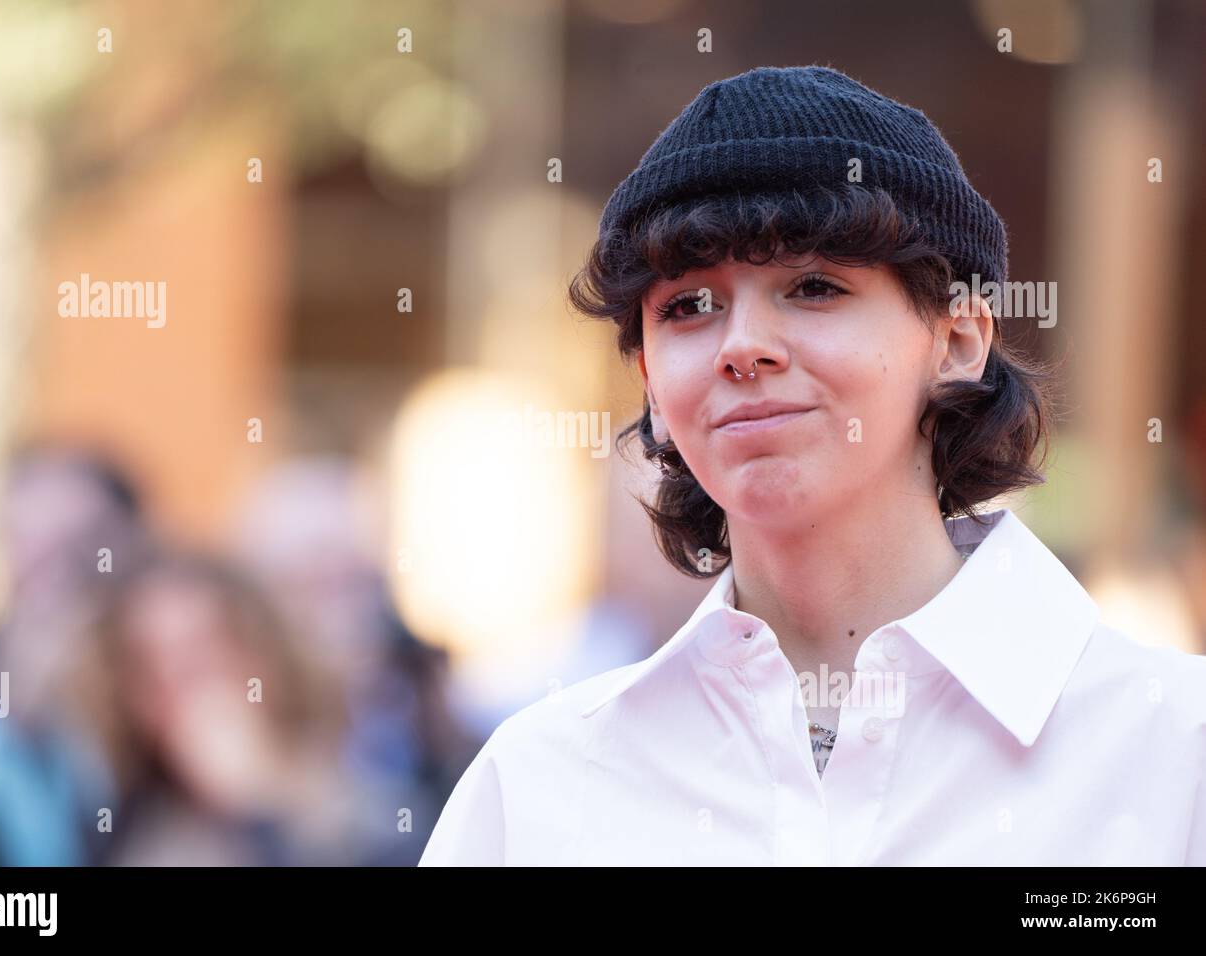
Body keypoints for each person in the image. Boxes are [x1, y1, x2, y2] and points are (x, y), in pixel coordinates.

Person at [418, 65, 1206, 866]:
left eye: (815, 287)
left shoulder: (1172, 754)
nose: (742, 346)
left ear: (960, 339)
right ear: (651, 383)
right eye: (688, 306)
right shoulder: (541, 786)